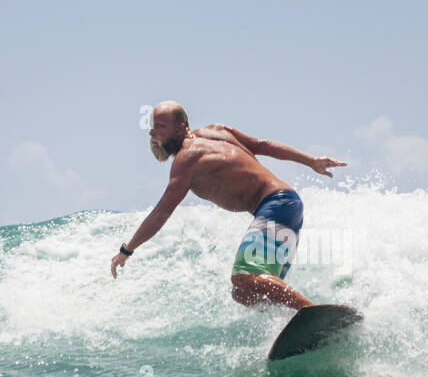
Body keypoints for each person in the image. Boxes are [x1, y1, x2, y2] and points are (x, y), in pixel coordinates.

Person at [109, 101, 346, 310]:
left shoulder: (187, 158)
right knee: (244, 293)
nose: (152, 131)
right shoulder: (217, 131)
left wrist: (127, 250)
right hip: (288, 205)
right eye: (152, 125)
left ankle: (310, 311)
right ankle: (297, 324)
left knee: (245, 275)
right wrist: (311, 161)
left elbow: (162, 211)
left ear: (181, 127)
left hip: (276, 204)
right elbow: (264, 146)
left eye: (161, 126)